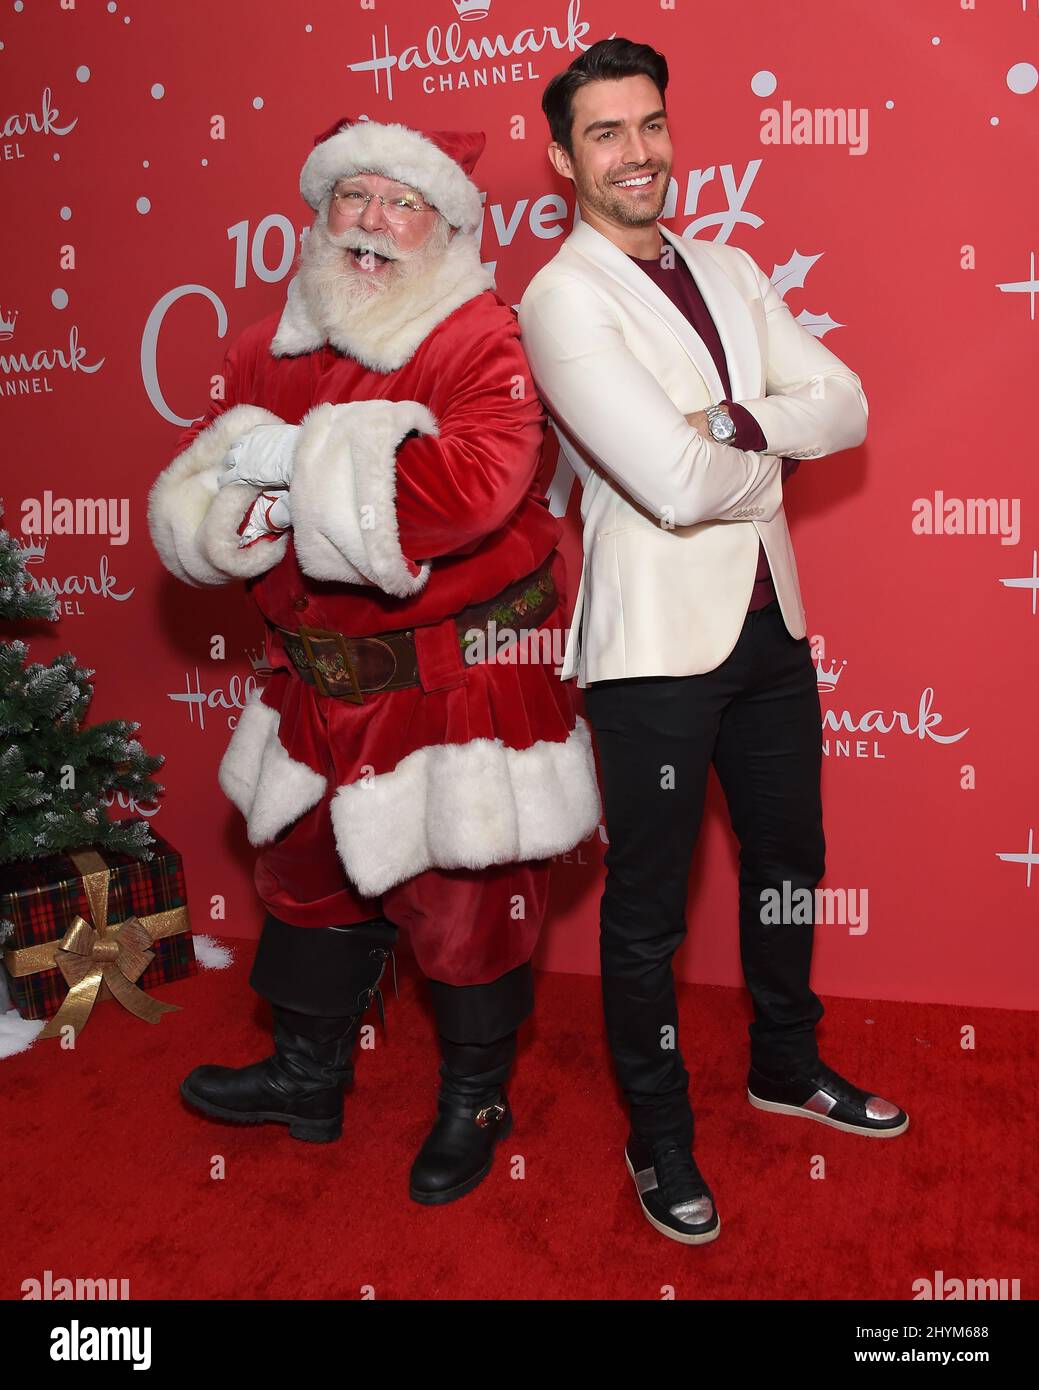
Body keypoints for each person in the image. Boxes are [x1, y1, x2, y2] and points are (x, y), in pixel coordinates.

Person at [147, 115, 601, 1206]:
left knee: (464, 898)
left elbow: (469, 491)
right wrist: (228, 518)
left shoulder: (482, 336)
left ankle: (474, 1104)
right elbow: (226, 495)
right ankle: (307, 1078)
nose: (373, 223)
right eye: (353, 198)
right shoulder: (264, 345)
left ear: (444, 225)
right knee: (303, 880)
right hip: (316, 676)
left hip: (452, 680)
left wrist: (294, 465)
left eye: (401, 204)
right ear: (318, 214)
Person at [518, 38, 908, 1246]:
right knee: (648, 913)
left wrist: (730, 420)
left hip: (767, 624)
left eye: (649, 125)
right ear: (561, 157)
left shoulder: (732, 268)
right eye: (604, 133)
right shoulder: (560, 297)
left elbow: (844, 402)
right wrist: (753, 453)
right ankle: (659, 1133)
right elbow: (671, 485)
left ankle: (784, 1063)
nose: (636, 153)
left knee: (791, 858)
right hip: (652, 654)